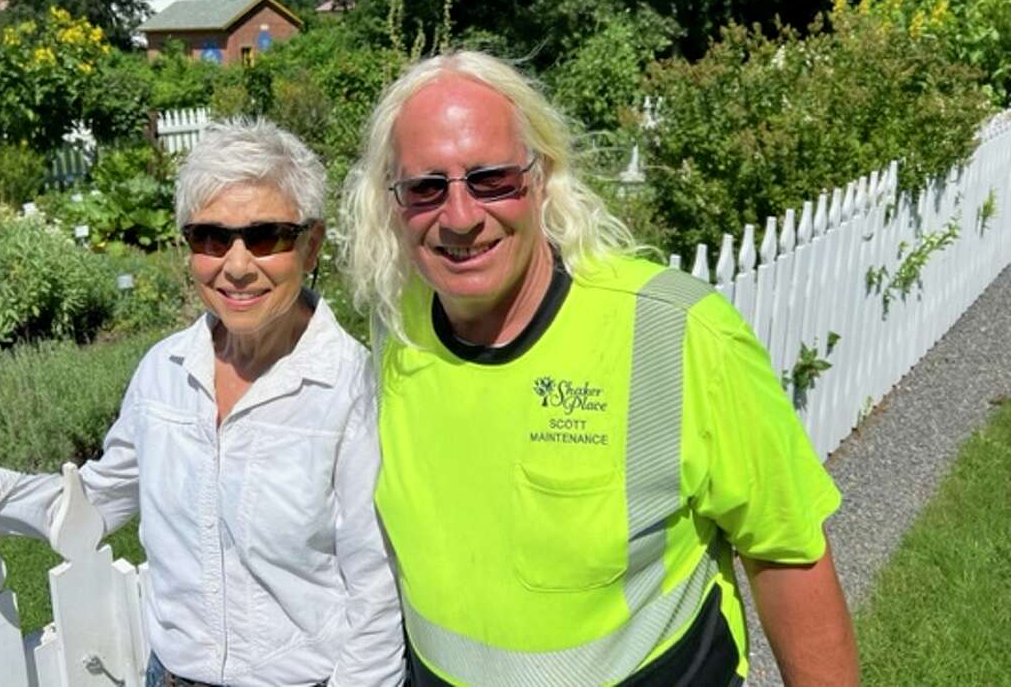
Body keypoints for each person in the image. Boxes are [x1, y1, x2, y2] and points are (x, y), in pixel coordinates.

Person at [341, 51, 860, 686]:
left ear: (541, 177)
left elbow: (788, 556)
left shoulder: (679, 332)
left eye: (491, 179)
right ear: (391, 202)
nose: (460, 217)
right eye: (425, 188)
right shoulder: (398, 327)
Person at [0, 118, 404, 687]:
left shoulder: (351, 389)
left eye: (266, 237)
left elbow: (376, 598)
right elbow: (96, 500)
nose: (237, 266)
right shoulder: (166, 372)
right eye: (211, 238)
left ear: (310, 245)